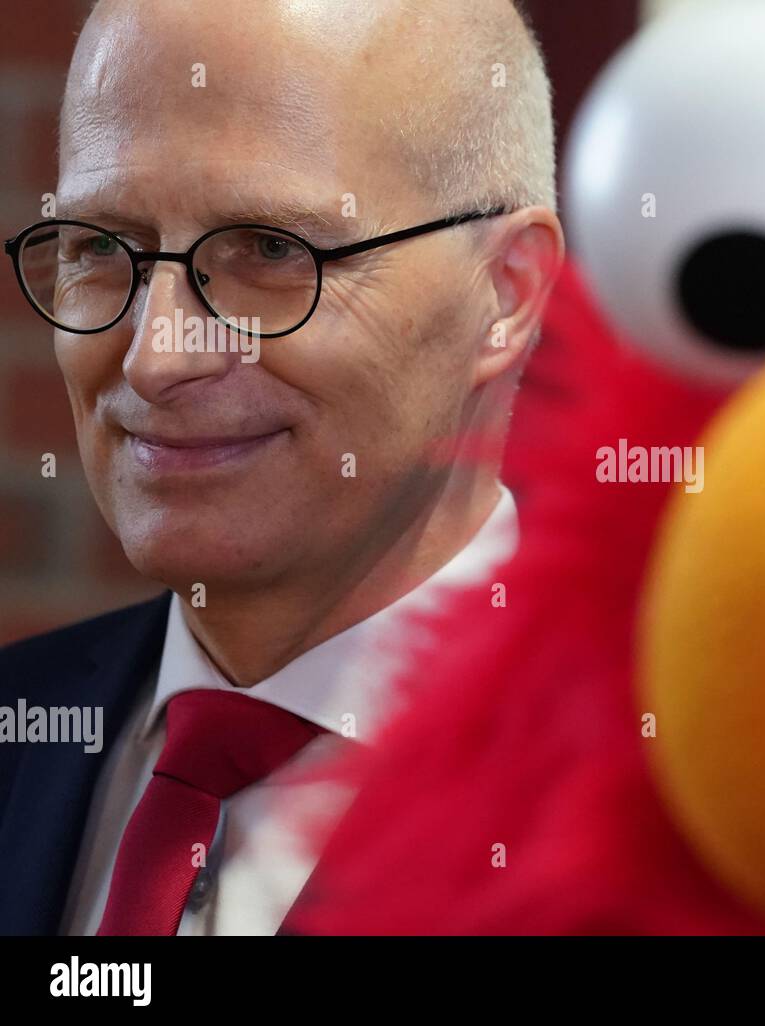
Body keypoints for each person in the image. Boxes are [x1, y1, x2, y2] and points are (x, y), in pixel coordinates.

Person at [0, 0, 564, 936]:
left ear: (505, 292)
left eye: (270, 250)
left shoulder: (696, 806)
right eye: (102, 248)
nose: (154, 359)